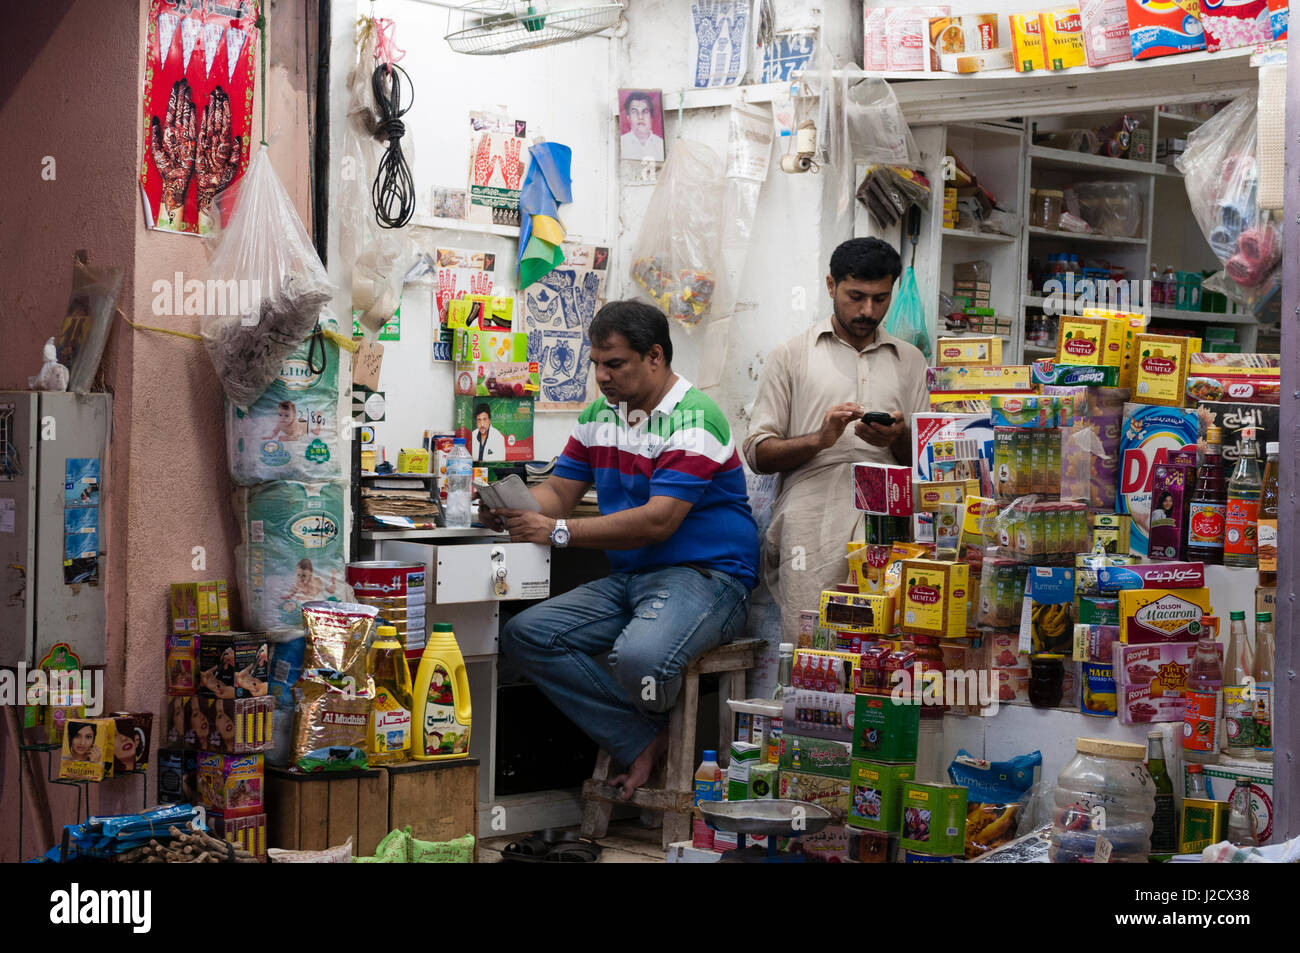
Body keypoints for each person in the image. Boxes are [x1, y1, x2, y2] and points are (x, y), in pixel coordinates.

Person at [488, 300, 758, 799]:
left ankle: (657, 744)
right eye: (595, 364)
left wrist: (557, 531)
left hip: (708, 579)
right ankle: (642, 736)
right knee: (526, 636)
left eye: (614, 364)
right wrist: (512, 507)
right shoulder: (599, 416)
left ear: (655, 356)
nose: (601, 377)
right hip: (634, 579)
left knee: (640, 657)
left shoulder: (694, 418)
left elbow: (658, 521)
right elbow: (559, 494)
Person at [743, 237, 930, 644]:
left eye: (880, 299)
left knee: (887, 637)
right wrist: (820, 439)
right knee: (814, 639)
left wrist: (897, 438)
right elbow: (758, 453)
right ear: (831, 286)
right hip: (813, 506)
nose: (867, 310)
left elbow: (923, 461)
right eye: (856, 296)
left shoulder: (911, 360)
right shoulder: (792, 355)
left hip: (889, 503)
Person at [620, 91, 665, 162]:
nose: (640, 117)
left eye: (645, 111)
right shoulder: (621, 143)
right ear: (628, 117)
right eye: (634, 112)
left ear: (651, 117)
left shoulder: (660, 144)